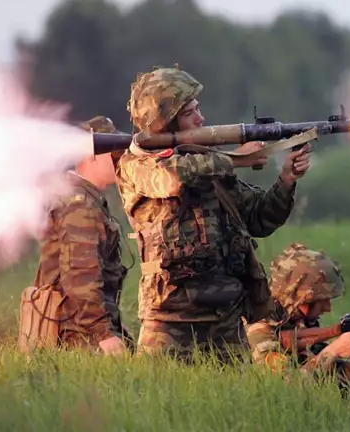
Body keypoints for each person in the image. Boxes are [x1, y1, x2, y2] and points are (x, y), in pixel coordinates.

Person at [115, 65, 311, 364]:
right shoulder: (136, 164)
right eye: (190, 111)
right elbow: (172, 178)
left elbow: (260, 219)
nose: (201, 118)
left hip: (226, 321)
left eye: (199, 108)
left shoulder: (207, 161)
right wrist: (236, 159)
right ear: (164, 121)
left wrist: (286, 180)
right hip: (170, 320)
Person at [19, 115, 134, 356]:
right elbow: (81, 275)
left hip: (79, 327)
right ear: (92, 155)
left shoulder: (86, 197)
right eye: (114, 153)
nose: (121, 160)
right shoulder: (79, 203)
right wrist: (104, 334)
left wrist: (114, 326)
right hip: (74, 336)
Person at [245, 242, 350, 391]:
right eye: (322, 300)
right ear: (301, 298)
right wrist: (331, 352)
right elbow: (286, 390)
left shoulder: (299, 326)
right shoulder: (260, 330)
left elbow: (347, 378)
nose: (327, 308)